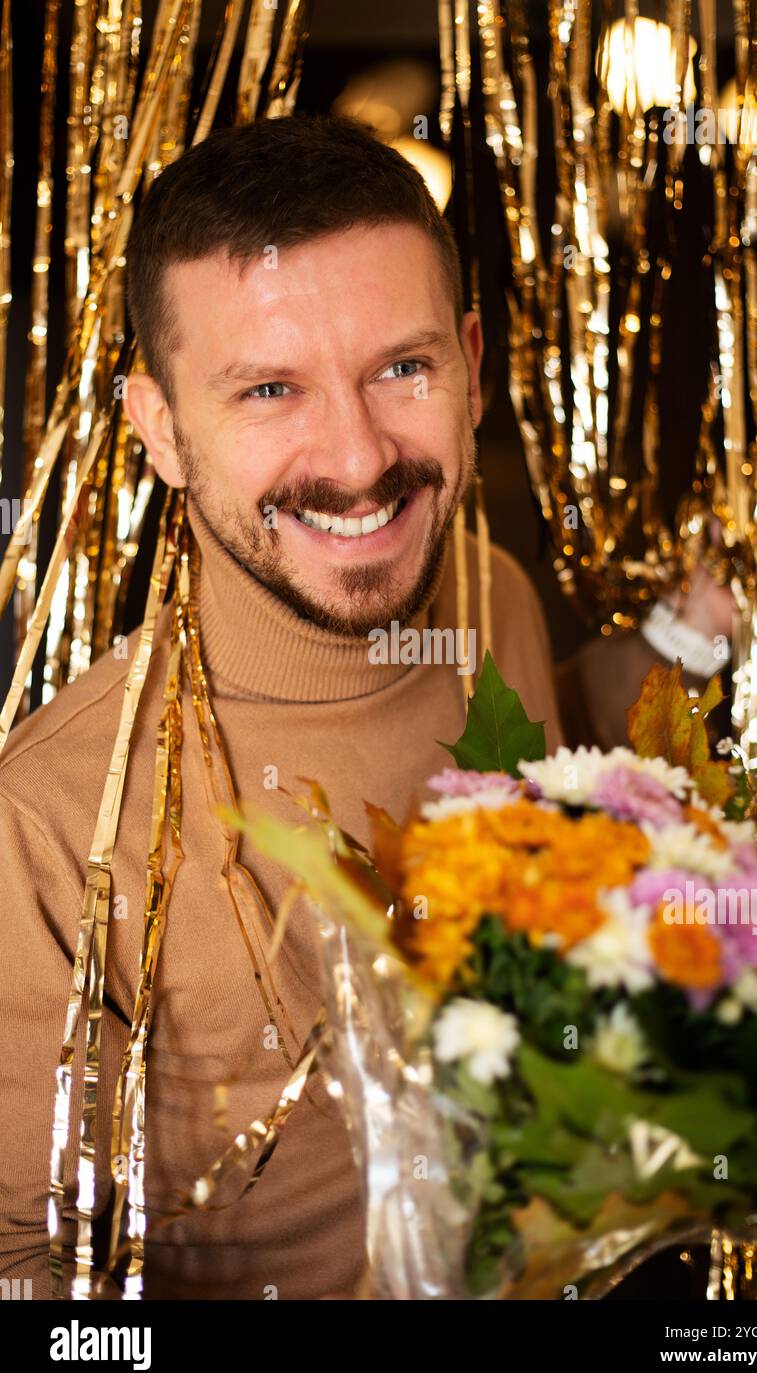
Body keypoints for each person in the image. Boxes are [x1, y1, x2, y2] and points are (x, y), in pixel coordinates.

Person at [0, 114, 561, 1299]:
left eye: (402, 369)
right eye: (268, 388)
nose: (358, 460)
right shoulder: (47, 823)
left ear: (470, 363)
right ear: (159, 429)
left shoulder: (489, 596)